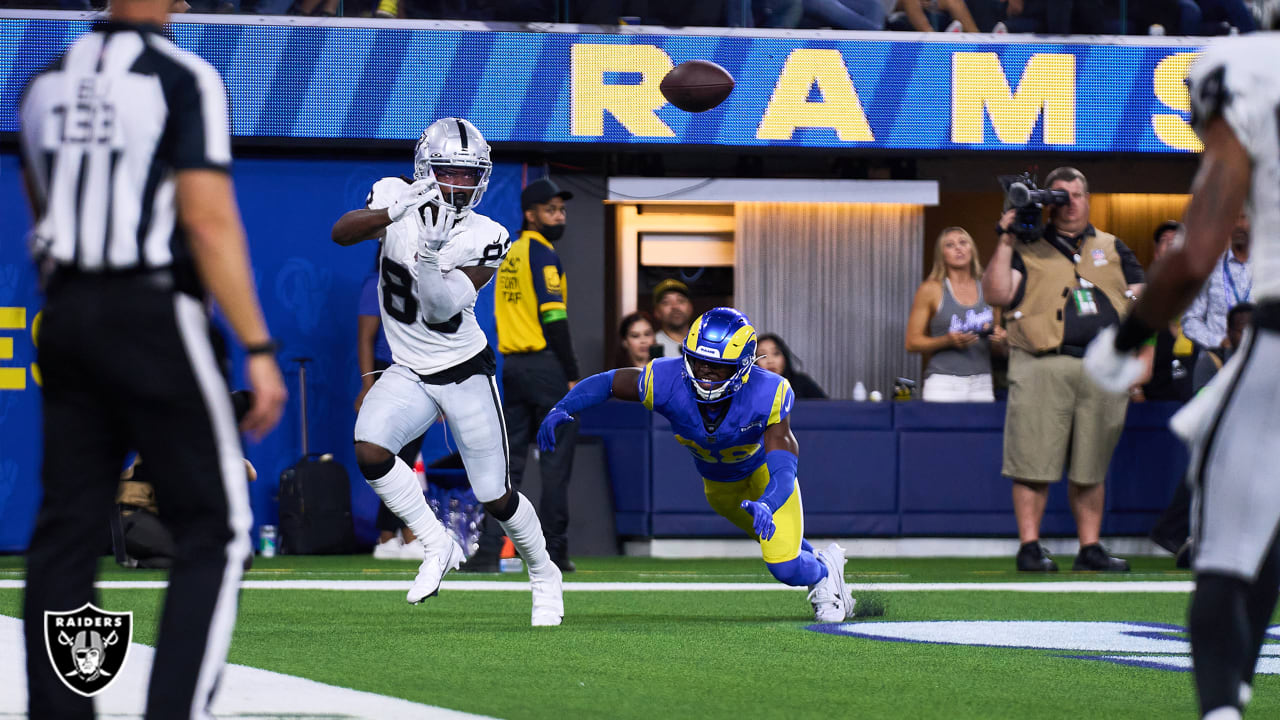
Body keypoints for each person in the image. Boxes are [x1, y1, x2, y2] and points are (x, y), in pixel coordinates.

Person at [18, 0, 289, 713]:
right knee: (220, 528)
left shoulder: (43, 79)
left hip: (69, 311)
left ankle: (61, 709)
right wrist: (257, 346)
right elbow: (206, 216)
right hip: (151, 308)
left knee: (66, 529)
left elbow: (41, 210)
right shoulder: (181, 75)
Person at [1082, 37, 1280, 720]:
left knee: (1226, 548)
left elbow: (1196, 252)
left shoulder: (1250, 68)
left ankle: (1225, 704)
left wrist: (1128, 339)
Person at [331, 118, 563, 626]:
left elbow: (439, 312)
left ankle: (545, 574)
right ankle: (436, 543)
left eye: (467, 174)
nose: (457, 183)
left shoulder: (489, 234)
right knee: (370, 450)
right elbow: (341, 234)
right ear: (424, 168)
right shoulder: (395, 193)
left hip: (462, 369)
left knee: (496, 495)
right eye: (447, 171)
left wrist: (433, 258)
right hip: (410, 367)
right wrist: (394, 212)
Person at [537, 308, 855, 623]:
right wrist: (564, 405)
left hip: (765, 481)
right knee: (784, 544)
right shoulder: (665, 379)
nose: (703, 372)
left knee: (783, 565)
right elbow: (609, 382)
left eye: (717, 366)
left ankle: (826, 572)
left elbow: (784, 470)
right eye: (698, 361)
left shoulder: (768, 392)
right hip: (720, 490)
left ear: (744, 366)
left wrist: (768, 503)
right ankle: (823, 567)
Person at [983, 166, 1146, 573]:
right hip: (1042, 362)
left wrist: (1143, 357)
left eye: (1077, 194)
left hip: (1101, 366)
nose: (1070, 202)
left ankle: (1090, 547)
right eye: (1059, 195)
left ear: (1088, 199)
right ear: (1045, 201)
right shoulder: (1026, 244)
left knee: (1091, 464)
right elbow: (996, 292)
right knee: (1032, 460)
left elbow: (1144, 303)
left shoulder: (1112, 246)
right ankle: (1030, 546)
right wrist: (1006, 234)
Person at [482, 177, 581, 573]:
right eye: (551, 210)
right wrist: (572, 373)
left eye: (562, 210)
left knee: (508, 466)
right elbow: (553, 316)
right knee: (555, 463)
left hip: (514, 368)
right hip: (545, 366)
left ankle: (488, 550)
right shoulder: (542, 254)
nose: (559, 216)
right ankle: (555, 551)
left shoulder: (509, 252)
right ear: (530, 214)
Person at [356, 261, 425, 560]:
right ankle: (393, 537)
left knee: (404, 460)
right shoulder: (377, 282)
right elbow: (365, 338)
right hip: (390, 373)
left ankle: (395, 537)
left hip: (421, 373)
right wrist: (368, 385)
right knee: (394, 459)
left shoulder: (424, 280)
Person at [906, 227, 1004, 402]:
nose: (958, 248)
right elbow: (912, 343)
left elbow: (997, 346)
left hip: (982, 381)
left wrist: (1001, 340)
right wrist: (947, 341)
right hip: (944, 382)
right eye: (950, 245)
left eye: (963, 242)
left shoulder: (989, 286)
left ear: (972, 249)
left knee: (981, 430)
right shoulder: (931, 289)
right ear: (941, 254)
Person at [1140, 221, 1199, 403]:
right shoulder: (1142, 295)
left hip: (1194, 399)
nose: (1172, 244)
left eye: (1178, 240)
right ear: (1156, 252)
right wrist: (1135, 392)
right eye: (1166, 240)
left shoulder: (1202, 294)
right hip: (1152, 399)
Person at [1182, 211, 1253, 349]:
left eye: (1243, 218)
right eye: (1233, 219)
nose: (1238, 225)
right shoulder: (1210, 268)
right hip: (1218, 358)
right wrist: (1218, 342)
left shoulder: (1270, 270)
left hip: (1261, 357)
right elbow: (1190, 320)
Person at [756, 333, 828, 399]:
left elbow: (827, 409)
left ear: (785, 357)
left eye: (776, 353)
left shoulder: (801, 382)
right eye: (762, 356)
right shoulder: (748, 388)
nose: (770, 361)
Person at [652, 278, 695, 359]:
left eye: (681, 301)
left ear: (690, 307)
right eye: (666, 302)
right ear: (657, 312)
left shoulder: (703, 343)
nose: (675, 306)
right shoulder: (651, 344)